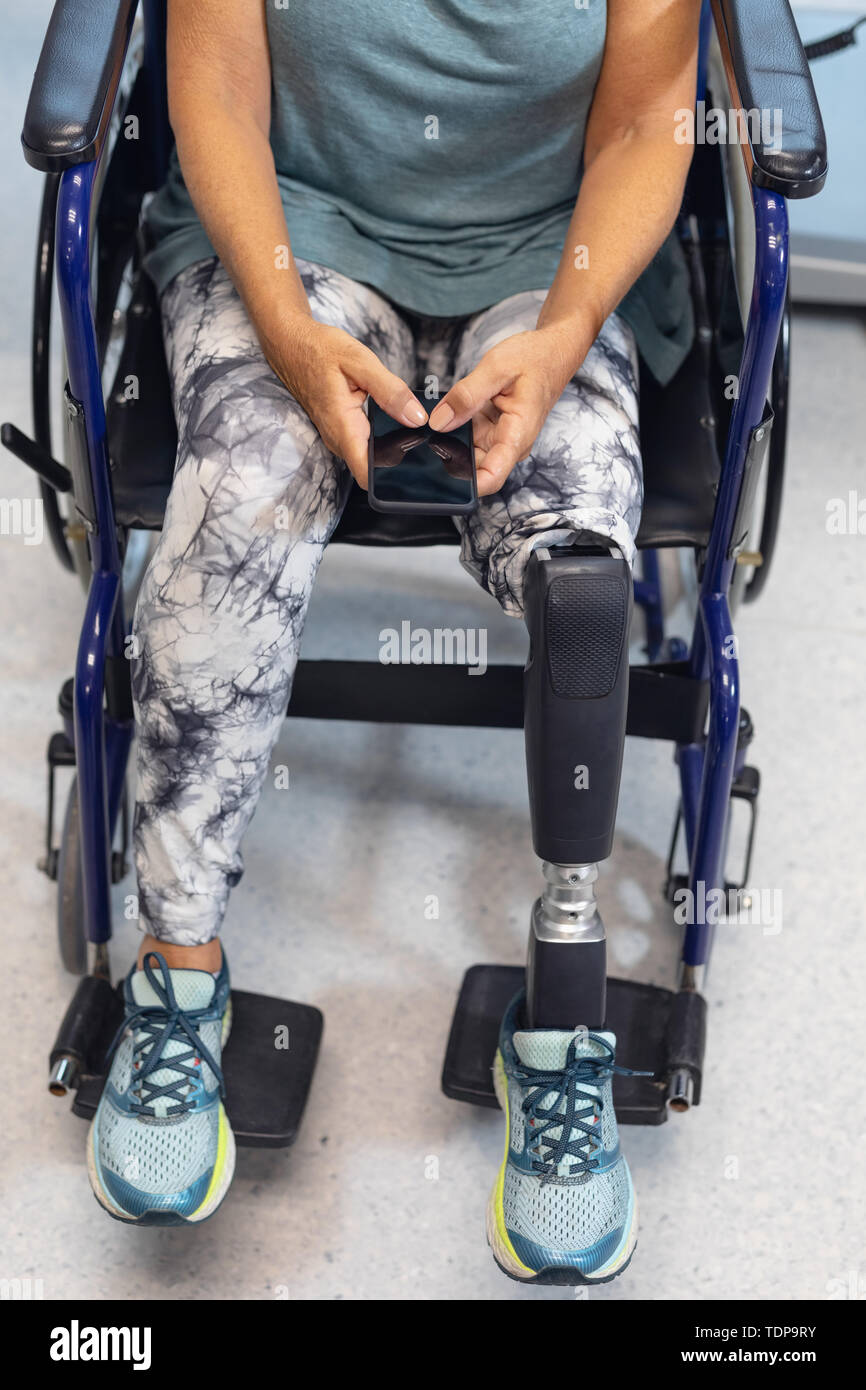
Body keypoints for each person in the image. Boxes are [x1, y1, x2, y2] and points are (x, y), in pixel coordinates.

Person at [88, 0, 700, 1282]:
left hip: (552, 266)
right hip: (287, 237)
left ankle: (562, 1026)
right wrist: (287, 331)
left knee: (582, 578)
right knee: (239, 498)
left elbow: (647, 113)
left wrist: (567, 333)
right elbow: (210, 86)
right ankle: (178, 975)